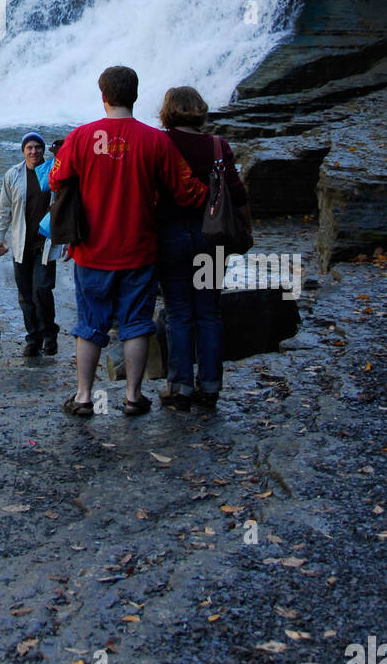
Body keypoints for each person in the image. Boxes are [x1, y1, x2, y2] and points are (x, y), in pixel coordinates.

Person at [49, 66, 208, 418]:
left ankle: (84, 397)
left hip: (91, 250)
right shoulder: (156, 140)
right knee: (136, 324)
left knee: (89, 325)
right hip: (139, 250)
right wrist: (220, 195)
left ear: (103, 96)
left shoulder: (80, 137)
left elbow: (56, 179)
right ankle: (133, 397)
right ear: (136, 96)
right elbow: (187, 191)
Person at [157, 86, 251, 411]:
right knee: (209, 312)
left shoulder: (160, 143)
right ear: (199, 109)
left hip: (170, 237)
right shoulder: (216, 146)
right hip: (212, 238)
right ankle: (210, 387)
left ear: (168, 110)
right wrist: (245, 231)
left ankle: (180, 387)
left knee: (178, 313)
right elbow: (237, 194)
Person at [0, 131, 61, 359]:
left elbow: (66, 204)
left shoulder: (54, 172)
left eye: (37, 147)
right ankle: (33, 339)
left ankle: (50, 335)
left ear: (43, 150)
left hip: (45, 244)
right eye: (29, 148)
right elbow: (4, 210)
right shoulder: (12, 175)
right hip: (21, 243)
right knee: (25, 296)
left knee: (42, 289)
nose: (34, 151)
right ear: (23, 151)